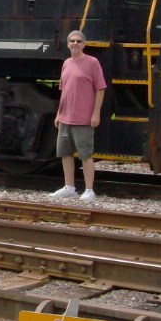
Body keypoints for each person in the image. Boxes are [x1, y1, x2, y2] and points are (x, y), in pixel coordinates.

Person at [51, 30, 106, 202]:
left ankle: (89, 190)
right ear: (68, 44)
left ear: (84, 44)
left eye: (78, 41)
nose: (75, 43)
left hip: (83, 118)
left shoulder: (92, 62)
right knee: (65, 153)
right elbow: (64, 91)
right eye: (72, 41)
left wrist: (96, 113)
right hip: (65, 117)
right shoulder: (66, 63)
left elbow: (100, 88)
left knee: (85, 154)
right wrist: (59, 114)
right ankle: (69, 187)